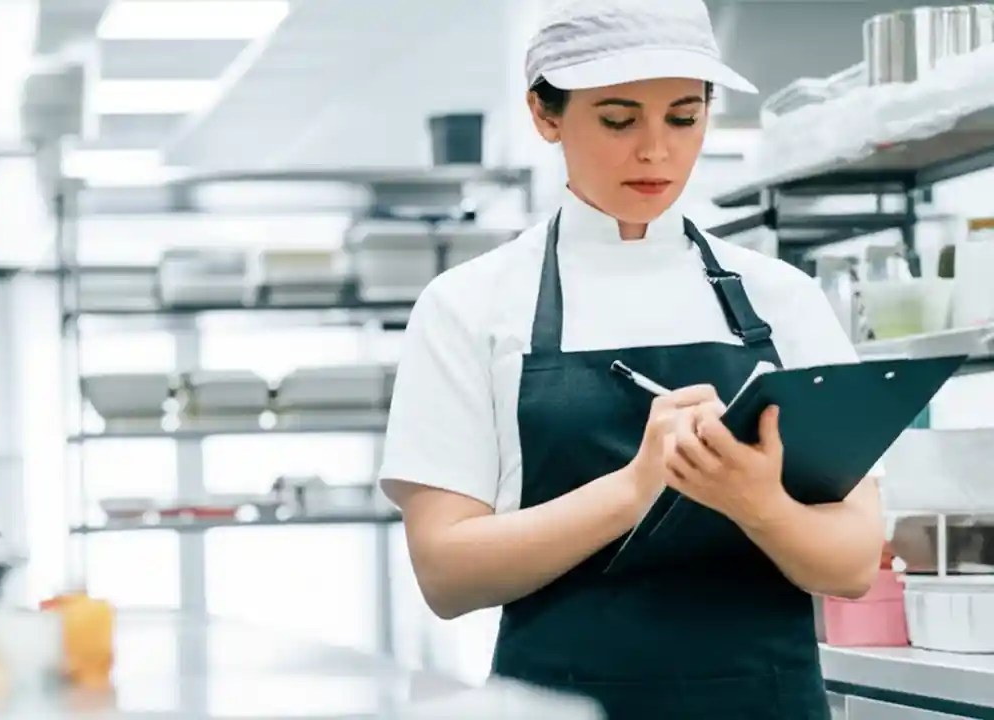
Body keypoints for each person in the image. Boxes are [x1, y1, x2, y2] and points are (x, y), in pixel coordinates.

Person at [377, 1, 885, 718]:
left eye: (683, 117)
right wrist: (639, 487)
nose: (655, 150)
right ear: (545, 115)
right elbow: (446, 573)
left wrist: (758, 502)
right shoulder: (468, 305)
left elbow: (854, 563)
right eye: (618, 119)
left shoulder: (786, 299)